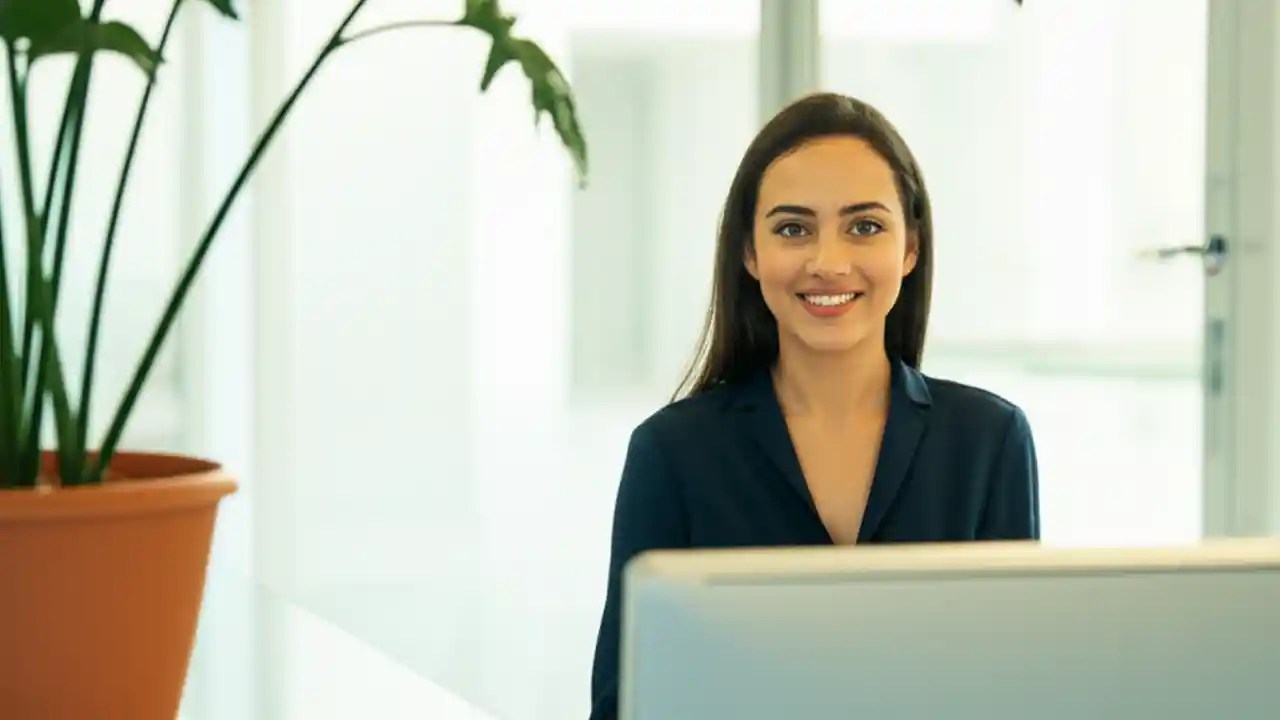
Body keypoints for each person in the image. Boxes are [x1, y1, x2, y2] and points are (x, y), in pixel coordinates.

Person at [587, 92, 1040, 720]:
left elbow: (1018, 689)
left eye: (865, 226)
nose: (829, 263)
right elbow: (624, 702)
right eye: (793, 229)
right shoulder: (672, 452)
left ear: (910, 248)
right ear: (750, 253)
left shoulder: (989, 440)